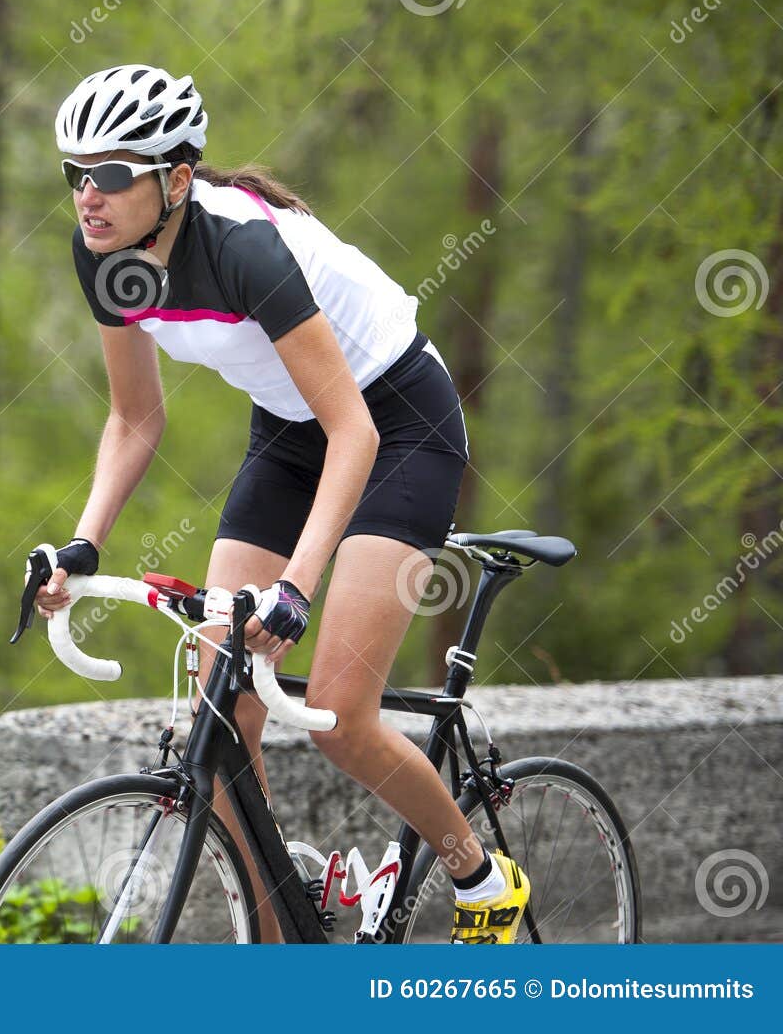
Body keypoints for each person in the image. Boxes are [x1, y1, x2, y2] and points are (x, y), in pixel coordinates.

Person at [30, 63, 529, 944]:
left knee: (340, 717)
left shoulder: (243, 249)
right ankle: (285, 956)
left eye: (110, 174)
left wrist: (296, 587)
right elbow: (134, 418)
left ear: (175, 179)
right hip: (296, 431)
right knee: (219, 719)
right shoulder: (105, 256)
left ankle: (481, 875)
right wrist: (82, 546)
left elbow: (358, 434)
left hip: (396, 427)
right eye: (76, 173)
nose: (87, 196)